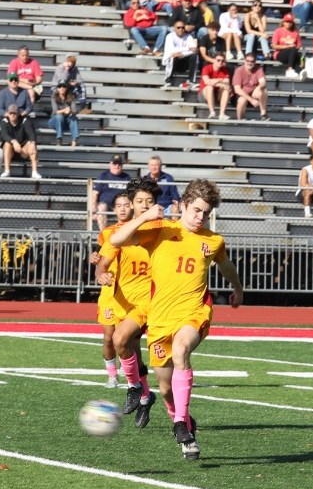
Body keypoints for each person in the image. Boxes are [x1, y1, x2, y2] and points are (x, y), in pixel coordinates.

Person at [107, 179, 245, 461]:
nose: (200, 217)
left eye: (206, 213)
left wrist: (237, 288)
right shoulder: (161, 230)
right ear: (182, 205)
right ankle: (181, 421)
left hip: (194, 312)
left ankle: (181, 424)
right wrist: (144, 216)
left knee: (182, 349)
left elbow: (226, 265)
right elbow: (116, 240)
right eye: (196, 210)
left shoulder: (213, 240)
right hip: (159, 319)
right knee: (166, 388)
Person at [96, 181, 158, 419]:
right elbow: (103, 261)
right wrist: (102, 274)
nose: (144, 206)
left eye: (149, 201)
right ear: (133, 205)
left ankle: (135, 388)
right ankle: (144, 395)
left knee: (120, 339)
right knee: (129, 349)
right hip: (123, 302)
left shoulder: (163, 229)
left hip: (149, 302)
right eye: (140, 201)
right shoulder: (118, 234)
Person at [0, 103, 42, 179]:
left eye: (14, 113)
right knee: (6, 144)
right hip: (10, 152)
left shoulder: (25, 120)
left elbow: (31, 133)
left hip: (23, 151)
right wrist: (14, 142)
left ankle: (35, 172)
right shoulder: (4, 121)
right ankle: (7, 171)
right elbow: (4, 135)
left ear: (18, 113)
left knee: (32, 144)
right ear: (8, 114)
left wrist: (32, 143)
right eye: (10, 113)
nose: (12, 115)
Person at [231, 53, 267, 121]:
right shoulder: (239, 70)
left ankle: (263, 115)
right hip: (242, 95)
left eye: (252, 61)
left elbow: (263, 82)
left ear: (255, 61)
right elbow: (237, 90)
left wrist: (258, 88)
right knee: (242, 100)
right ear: (244, 61)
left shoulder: (258, 69)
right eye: (248, 61)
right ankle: (240, 119)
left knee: (263, 91)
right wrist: (251, 100)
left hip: (254, 95)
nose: (250, 63)